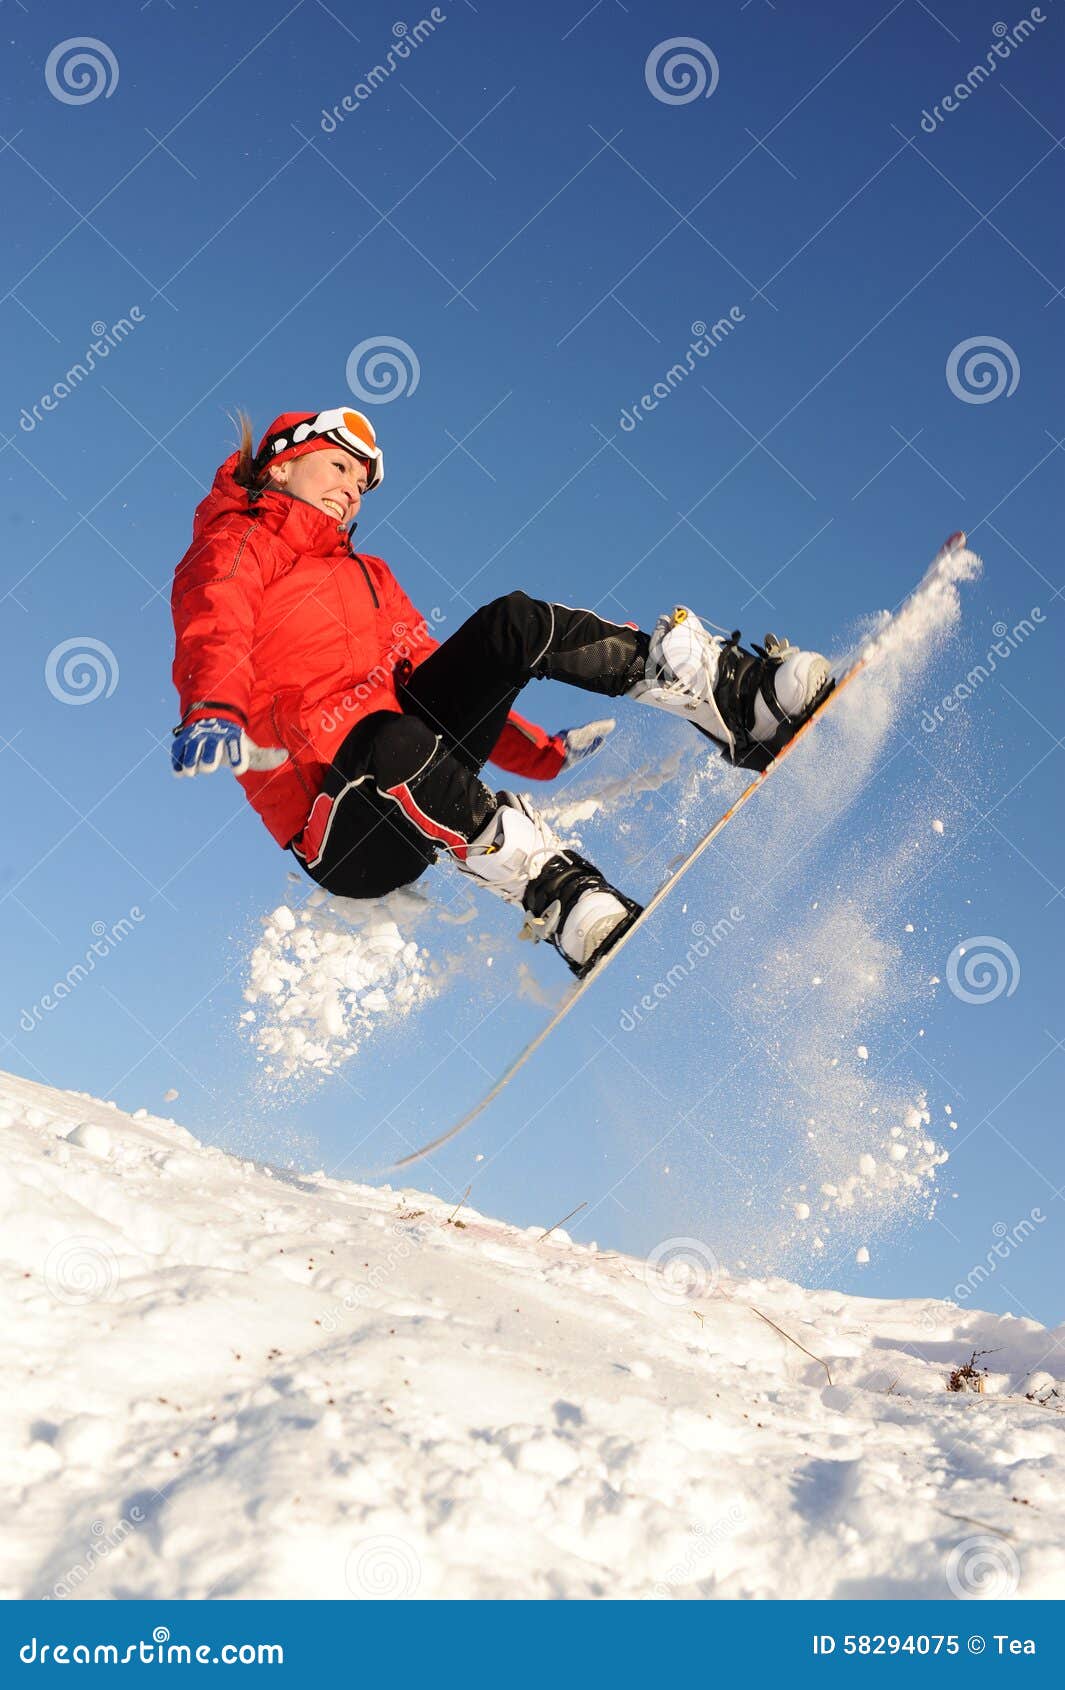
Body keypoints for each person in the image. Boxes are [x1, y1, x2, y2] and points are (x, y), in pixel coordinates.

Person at [170, 407, 831, 977]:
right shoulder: (239, 542)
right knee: (390, 738)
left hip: (422, 772)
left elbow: (429, 668)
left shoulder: (367, 574)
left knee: (510, 623)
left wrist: (541, 754)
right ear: (281, 466)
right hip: (345, 829)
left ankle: (736, 703)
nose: (353, 490)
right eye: (339, 466)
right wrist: (214, 709)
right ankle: (561, 897)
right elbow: (214, 621)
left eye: (364, 483)